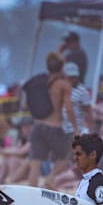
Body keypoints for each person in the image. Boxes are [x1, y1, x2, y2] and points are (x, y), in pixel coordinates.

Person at [25, 52, 76, 187]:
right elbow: (69, 109)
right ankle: (50, 178)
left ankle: (31, 192)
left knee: (35, 164)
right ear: (62, 67)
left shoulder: (39, 82)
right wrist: (76, 128)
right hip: (54, 127)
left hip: (37, 125)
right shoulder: (63, 85)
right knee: (66, 156)